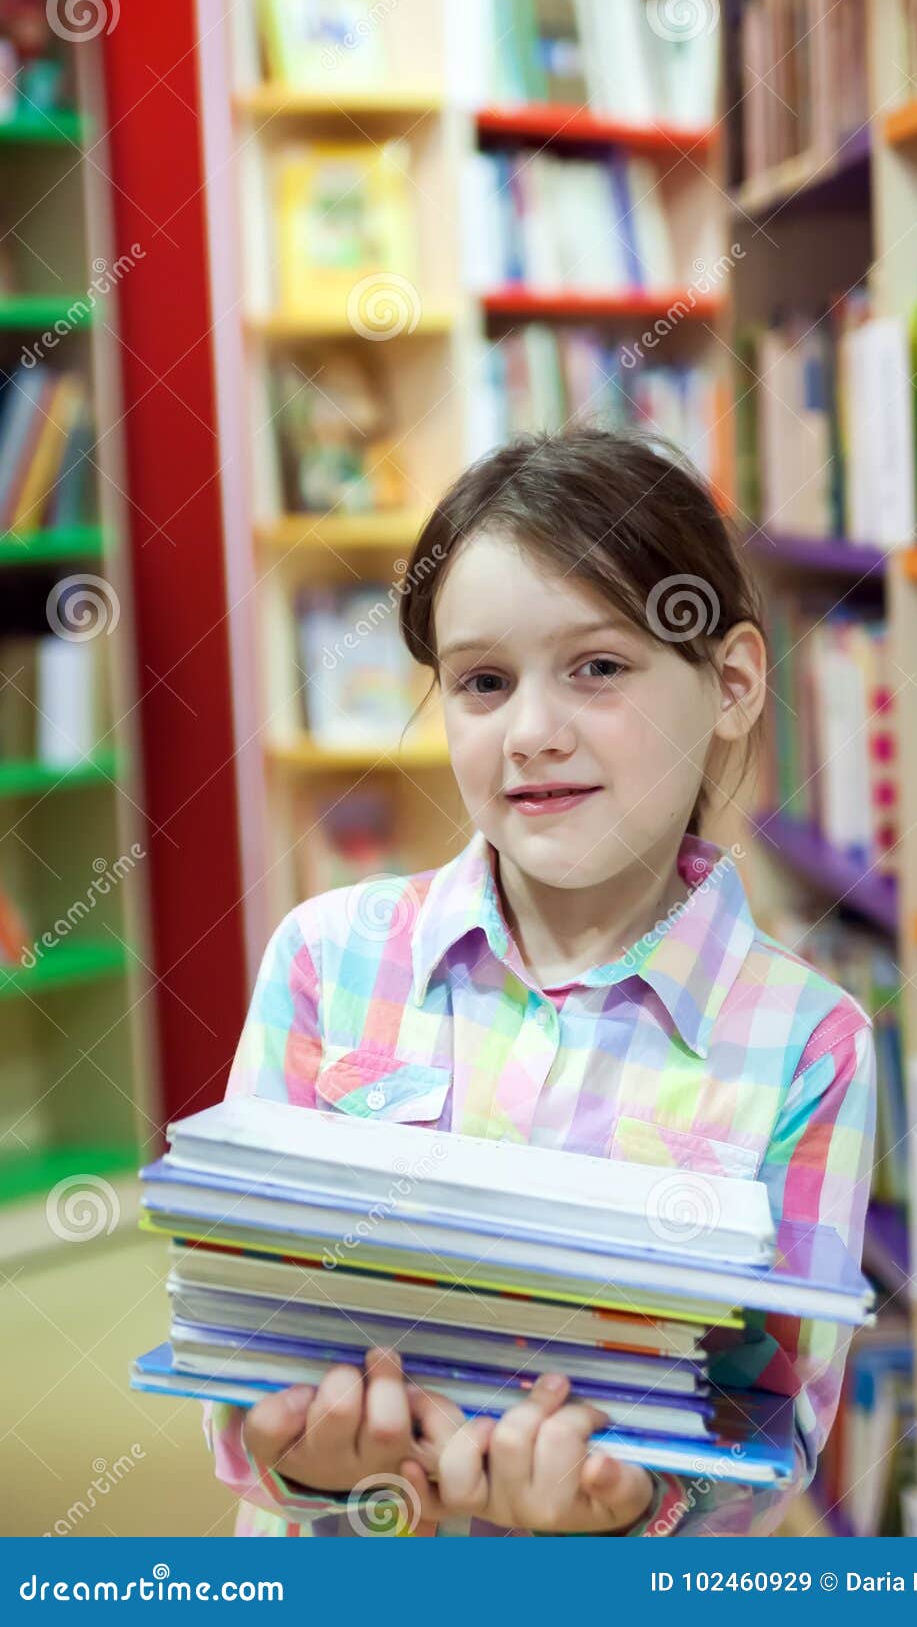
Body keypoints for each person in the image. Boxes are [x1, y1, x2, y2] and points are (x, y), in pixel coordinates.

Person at [201, 426, 876, 1537]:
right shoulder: (324, 957)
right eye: (481, 682)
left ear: (731, 683)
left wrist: (633, 1506)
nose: (530, 733)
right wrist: (305, 1464)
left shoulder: (810, 1043)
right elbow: (238, 1339)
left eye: (597, 667)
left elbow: (773, 1421)